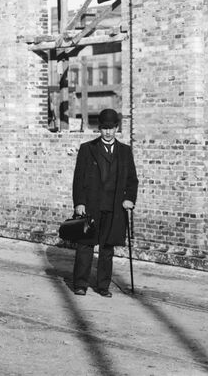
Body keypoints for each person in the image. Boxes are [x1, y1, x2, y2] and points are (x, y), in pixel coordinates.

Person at [71, 107, 138, 297]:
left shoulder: (125, 152)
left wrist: (129, 199)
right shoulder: (87, 149)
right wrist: (79, 202)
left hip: (115, 206)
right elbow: (78, 179)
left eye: (111, 128)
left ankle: (103, 286)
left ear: (117, 128)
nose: (108, 132)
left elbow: (132, 180)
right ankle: (80, 284)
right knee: (85, 245)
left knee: (107, 248)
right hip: (91, 206)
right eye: (104, 128)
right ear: (99, 129)